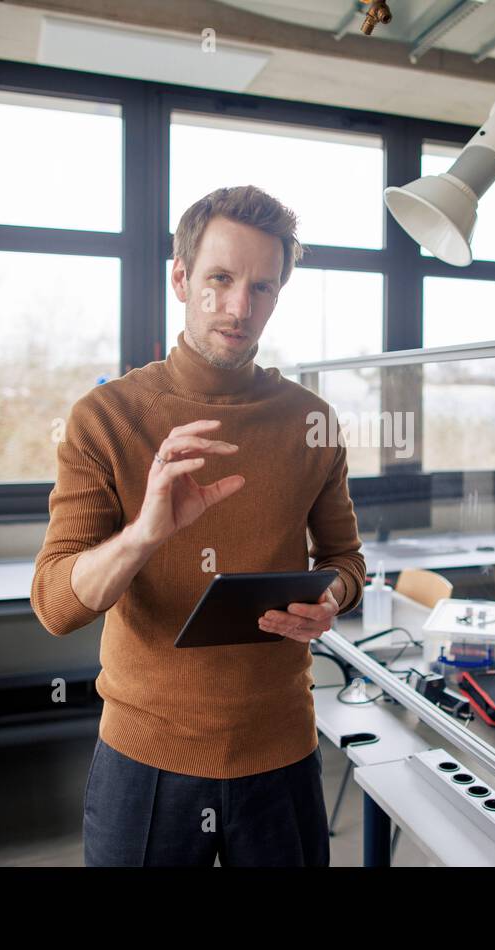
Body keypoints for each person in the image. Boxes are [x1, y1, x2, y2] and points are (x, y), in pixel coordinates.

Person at [31, 185, 366, 866]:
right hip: (145, 757)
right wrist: (145, 533)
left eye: (262, 287)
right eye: (220, 278)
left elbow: (347, 561)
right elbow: (55, 604)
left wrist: (330, 597)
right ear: (181, 278)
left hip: (282, 750)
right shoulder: (104, 418)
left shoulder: (313, 421)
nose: (240, 307)